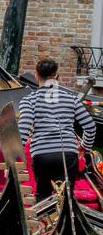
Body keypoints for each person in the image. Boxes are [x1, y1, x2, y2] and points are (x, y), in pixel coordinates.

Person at [17, 57, 96, 203]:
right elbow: (90, 126)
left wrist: (14, 160)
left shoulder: (28, 100)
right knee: (67, 198)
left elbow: (23, 129)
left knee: (43, 196)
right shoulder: (71, 99)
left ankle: (45, 223)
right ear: (57, 76)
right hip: (68, 153)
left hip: (42, 155)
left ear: (36, 76)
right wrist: (85, 147)